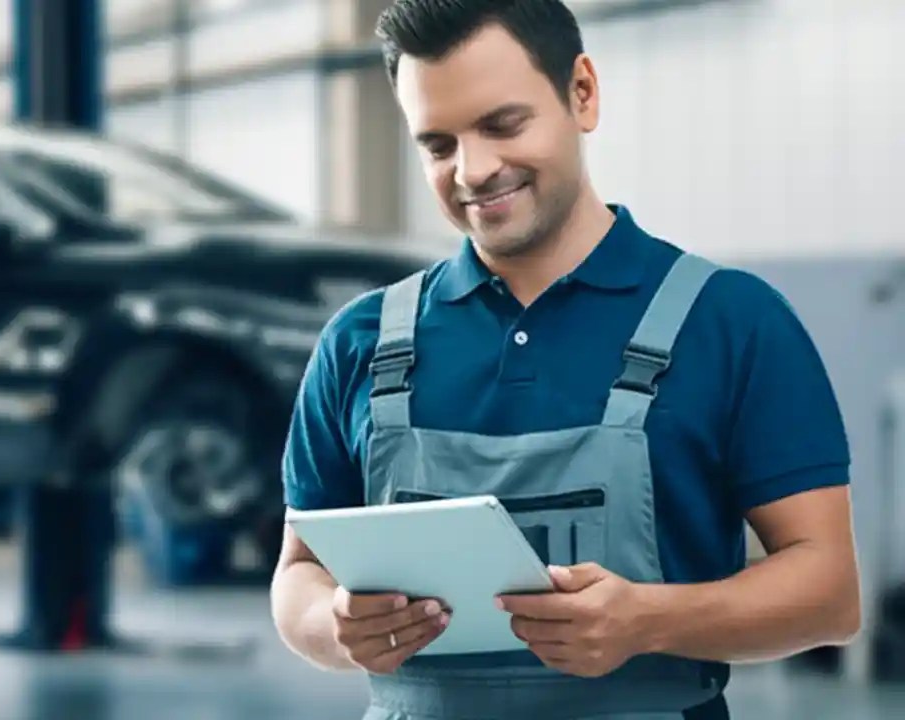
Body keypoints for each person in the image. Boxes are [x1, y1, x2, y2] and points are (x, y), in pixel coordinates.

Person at [268, 1, 862, 718]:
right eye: (437, 144)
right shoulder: (359, 343)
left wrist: (649, 619)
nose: (473, 171)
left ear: (582, 92)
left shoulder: (732, 323)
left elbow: (828, 592)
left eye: (502, 124)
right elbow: (298, 574)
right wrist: (335, 624)